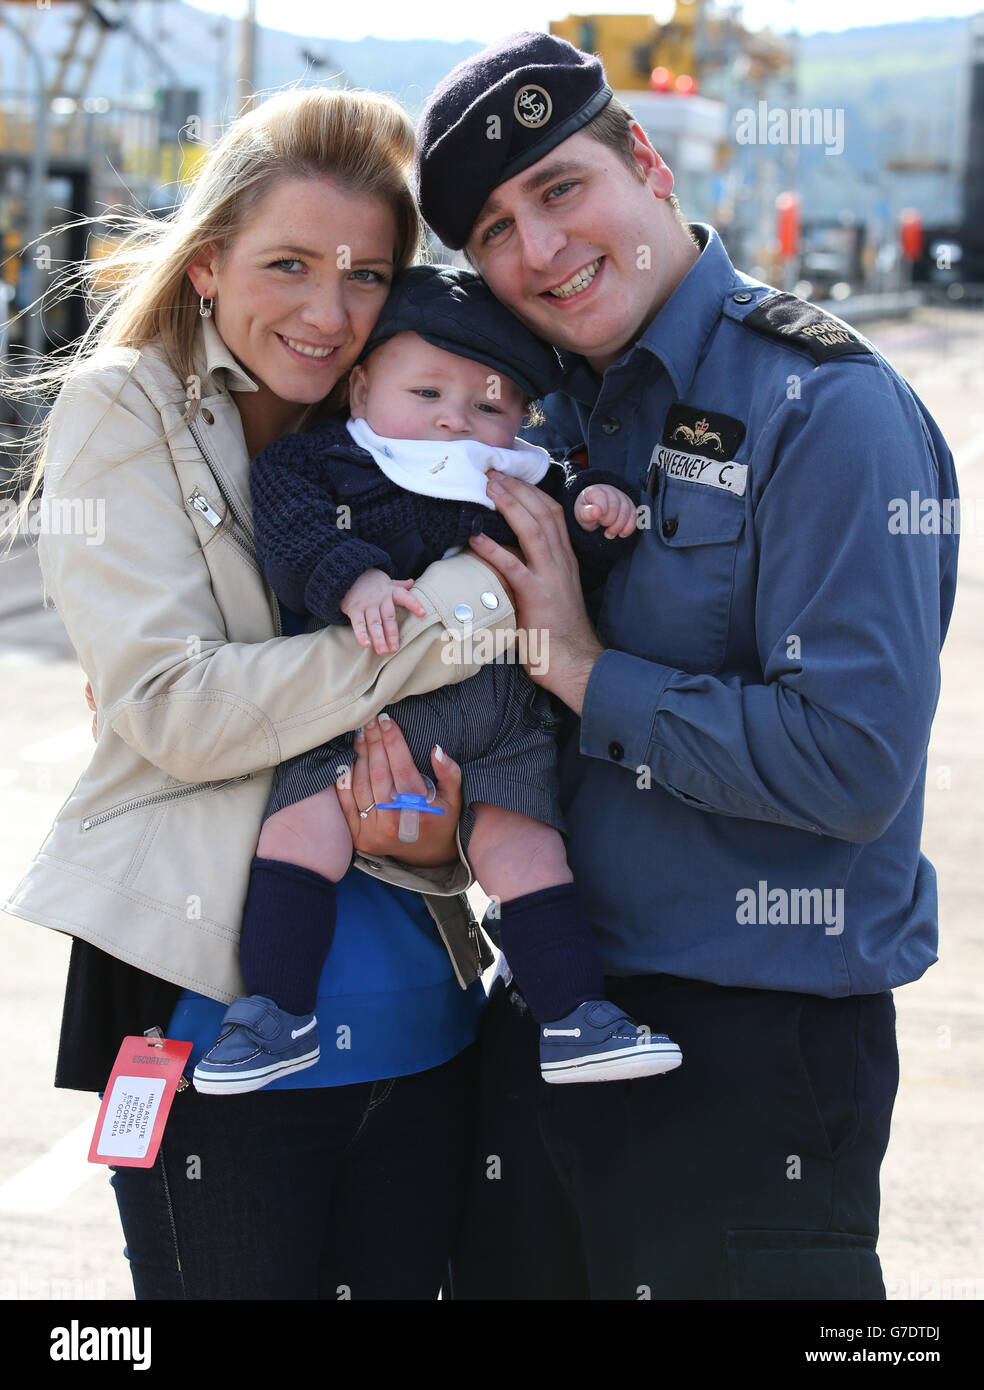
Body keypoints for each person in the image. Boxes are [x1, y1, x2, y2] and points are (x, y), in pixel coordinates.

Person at [413, 32, 961, 1299]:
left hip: (744, 1063)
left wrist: (581, 668)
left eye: (560, 190)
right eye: (495, 229)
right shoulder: (538, 422)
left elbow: (854, 763)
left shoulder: (826, 408)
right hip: (543, 1023)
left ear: (645, 164)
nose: (539, 250)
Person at [2, 87, 522, 1300]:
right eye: (287, 263)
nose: (327, 312)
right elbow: (174, 710)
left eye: (366, 275)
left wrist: (451, 821)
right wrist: (462, 618)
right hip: (208, 1032)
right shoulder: (125, 407)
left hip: (428, 1016)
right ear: (206, 264)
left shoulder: (428, 415)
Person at [191, 263, 681, 1094]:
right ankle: (275, 1010)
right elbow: (287, 525)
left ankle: (573, 1017)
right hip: (358, 707)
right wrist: (351, 578)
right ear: (359, 391)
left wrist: (602, 513)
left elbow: (566, 536)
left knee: (526, 849)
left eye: (489, 404)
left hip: (495, 713)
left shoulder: (515, 476)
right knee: (298, 829)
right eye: (426, 393)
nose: (456, 418)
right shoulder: (323, 464)